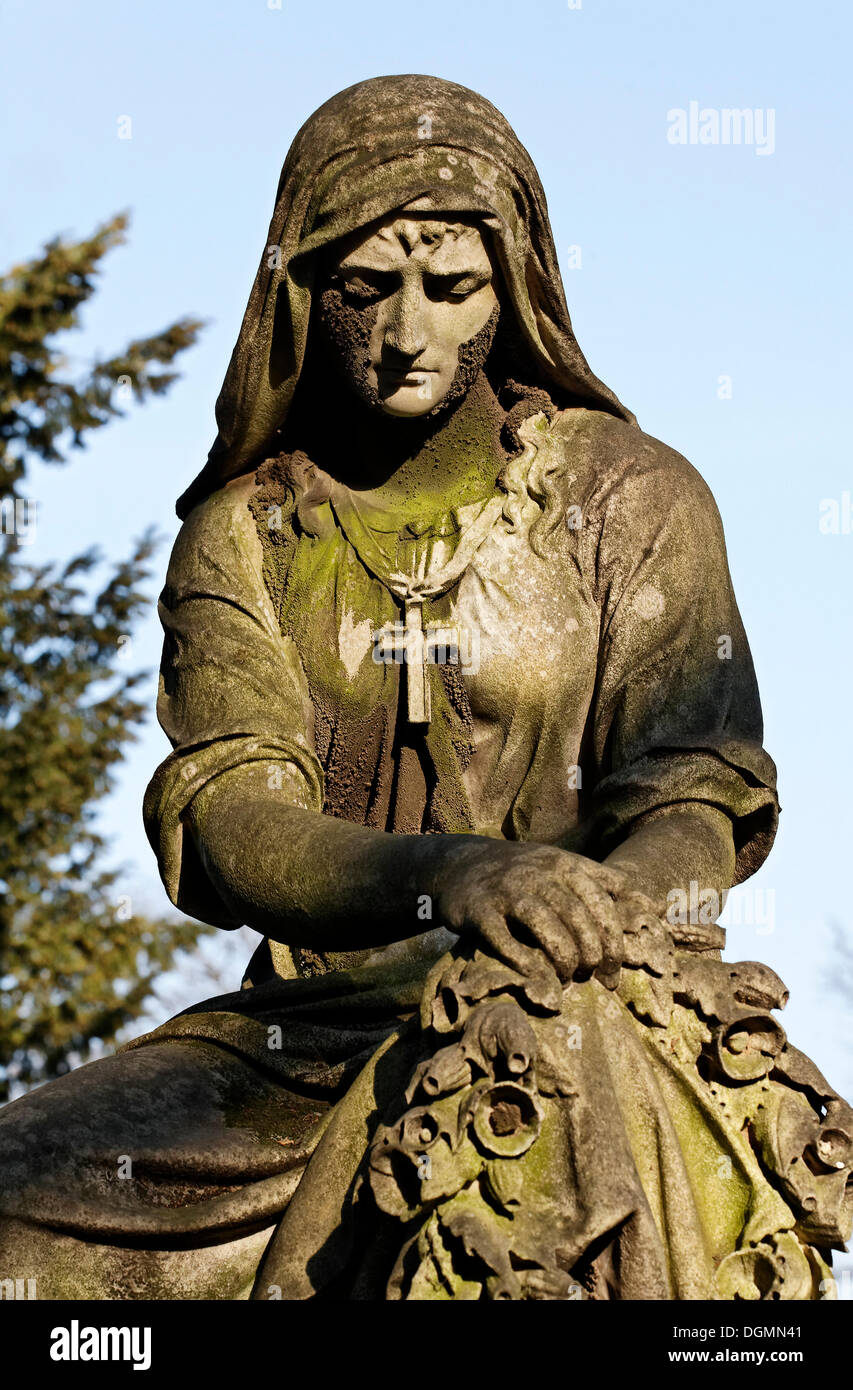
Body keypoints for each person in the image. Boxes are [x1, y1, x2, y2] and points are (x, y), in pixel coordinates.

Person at [1, 74, 849, 1301]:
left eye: (452, 288)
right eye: (365, 288)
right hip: (308, 1038)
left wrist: (588, 928)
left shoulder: (631, 497)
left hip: (590, 983)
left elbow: (691, 798)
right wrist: (452, 874)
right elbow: (235, 818)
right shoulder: (244, 535)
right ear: (303, 289)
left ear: (514, 289)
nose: (406, 334)